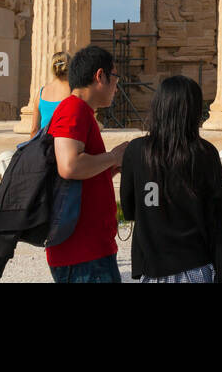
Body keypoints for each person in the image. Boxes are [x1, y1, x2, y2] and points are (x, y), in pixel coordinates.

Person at [120, 75, 222, 283]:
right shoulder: (204, 152)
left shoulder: (135, 151)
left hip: (153, 270)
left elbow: (130, 210)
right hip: (196, 266)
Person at [47, 46, 130, 283]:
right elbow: (70, 167)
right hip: (83, 253)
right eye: (115, 78)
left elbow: (80, 172)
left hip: (89, 249)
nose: (117, 86)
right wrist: (113, 157)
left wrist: (110, 168)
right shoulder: (73, 109)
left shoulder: (82, 111)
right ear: (100, 76)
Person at [28, 51, 72, 139]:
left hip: (45, 147)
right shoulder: (74, 91)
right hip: (66, 146)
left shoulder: (42, 92)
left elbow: (34, 129)